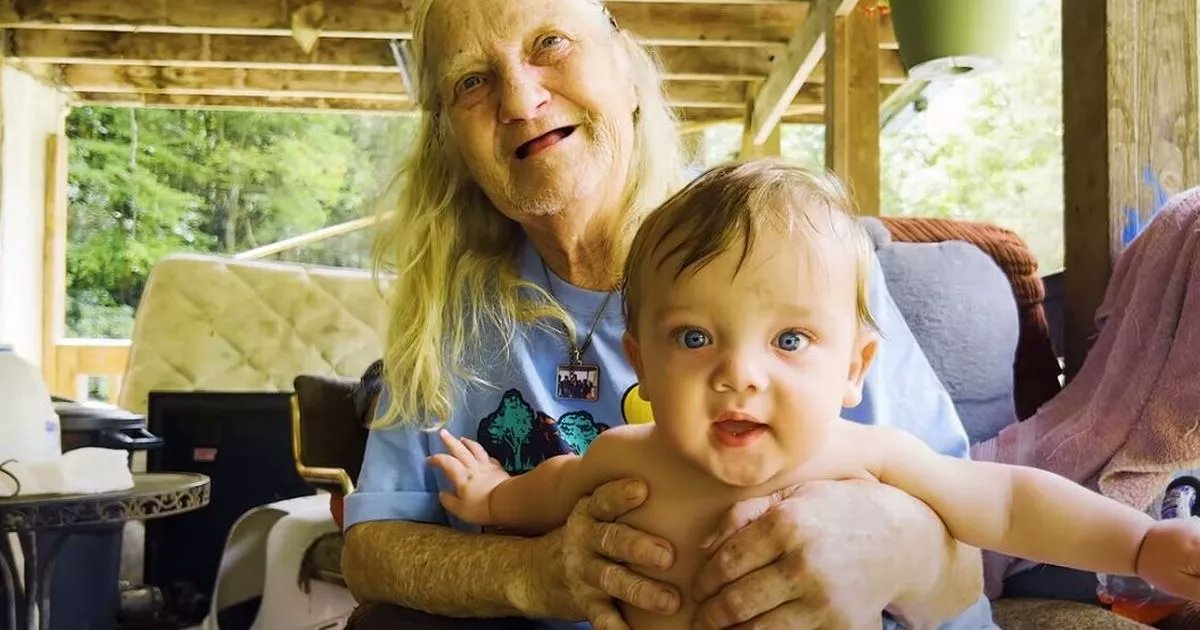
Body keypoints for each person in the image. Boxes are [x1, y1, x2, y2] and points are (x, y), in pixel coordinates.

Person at [341, 0, 996, 628]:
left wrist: (895, 551)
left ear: (626, 67)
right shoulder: (446, 310)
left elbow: (965, 552)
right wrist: (534, 571)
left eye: (550, 44)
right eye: (473, 81)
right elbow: (368, 550)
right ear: (451, 136)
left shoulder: (791, 252)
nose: (519, 101)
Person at [429, 160, 1200, 629]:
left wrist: (1137, 545)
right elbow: (550, 491)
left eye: (789, 341)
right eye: (695, 339)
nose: (740, 374)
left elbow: (1006, 504)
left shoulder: (868, 457)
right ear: (643, 365)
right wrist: (492, 497)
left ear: (856, 366)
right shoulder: (623, 455)